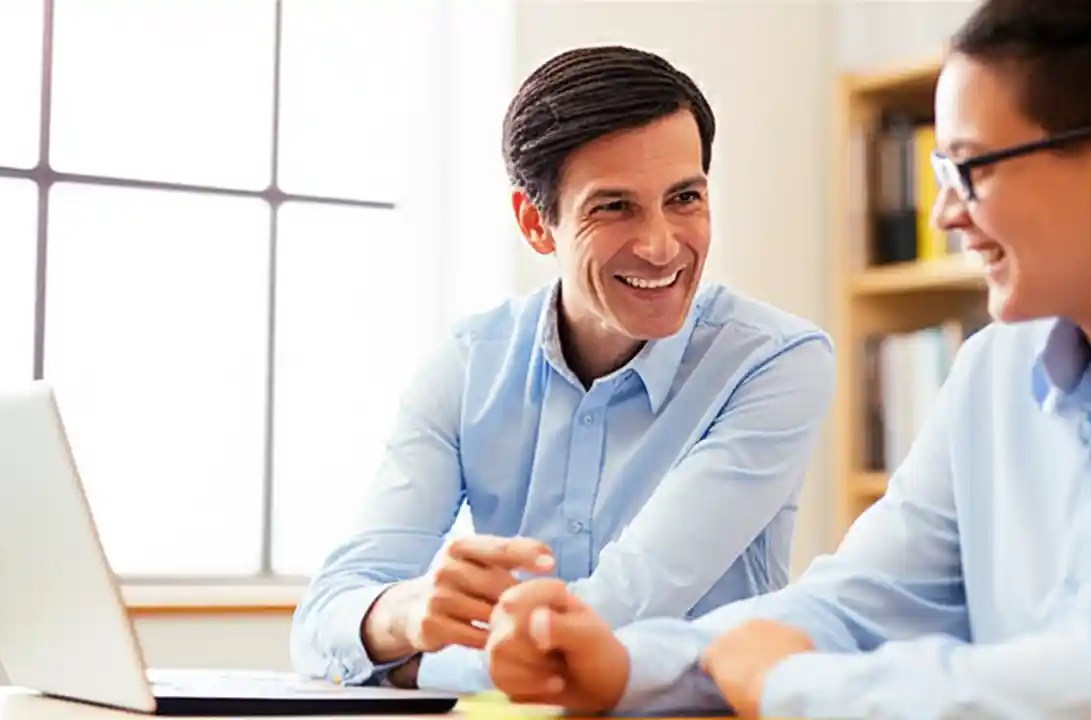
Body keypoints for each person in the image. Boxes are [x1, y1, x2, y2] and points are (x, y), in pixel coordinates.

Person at [484, 0, 1091, 716]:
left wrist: (795, 685)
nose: (945, 214)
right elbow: (857, 603)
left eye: (971, 168)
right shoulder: (992, 376)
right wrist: (625, 664)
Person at [288, 45, 836, 693]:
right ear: (536, 223)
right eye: (615, 206)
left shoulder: (775, 362)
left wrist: (414, 664)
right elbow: (324, 619)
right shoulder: (470, 363)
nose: (662, 245)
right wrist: (406, 612)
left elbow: (610, 620)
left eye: (685, 198)